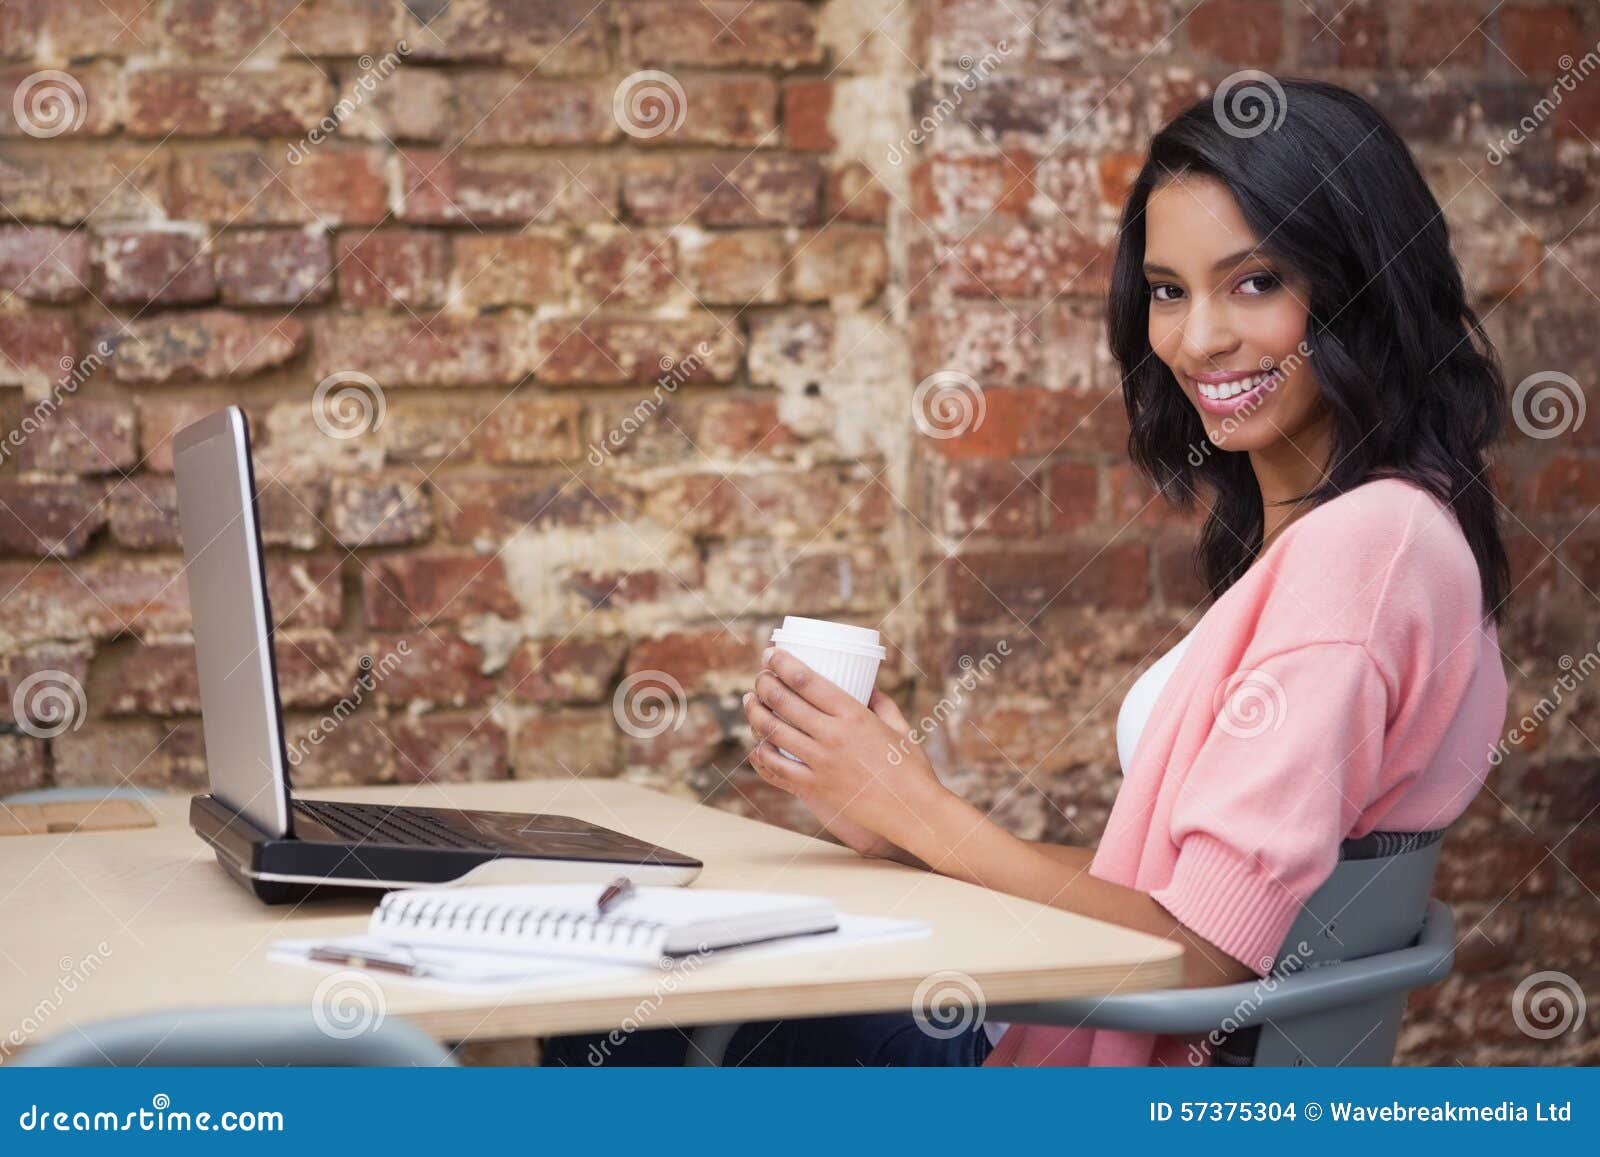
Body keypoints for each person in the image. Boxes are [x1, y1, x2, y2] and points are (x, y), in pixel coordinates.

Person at [541, 77, 1512, 1068]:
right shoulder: (1377, 531)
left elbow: (1207, 952)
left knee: (612, 1014)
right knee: (640, 1009)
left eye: (1254, 281)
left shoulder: (1365, 550)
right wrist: (896, 824)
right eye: (1168, 290)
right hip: (1077, 1047)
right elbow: (1164, 896)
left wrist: (917, 808)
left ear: (1358, 280)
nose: (1196, 337)